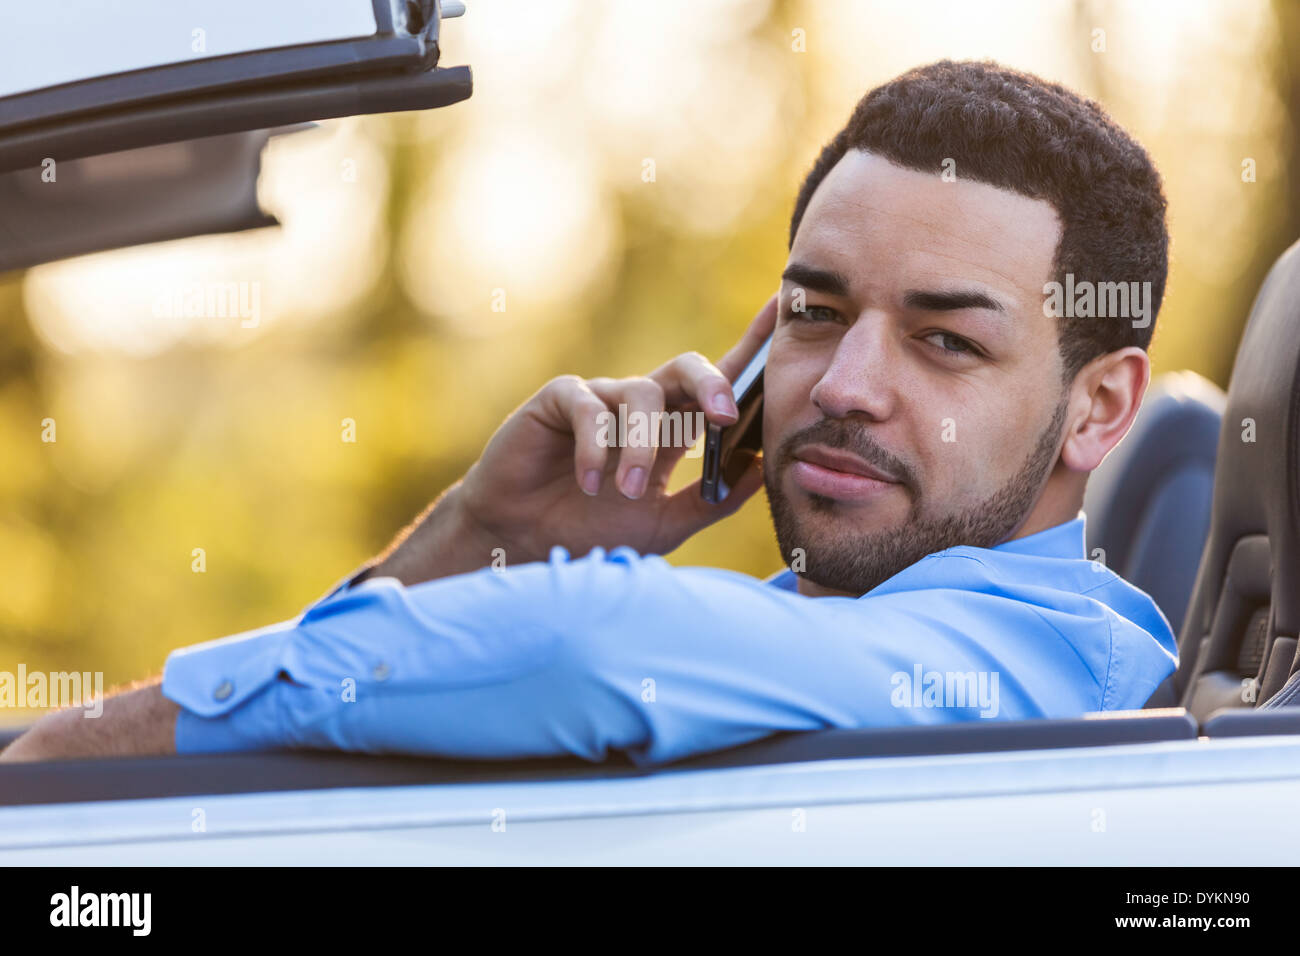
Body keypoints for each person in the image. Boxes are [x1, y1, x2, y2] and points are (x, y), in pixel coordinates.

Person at [1, 60, 1177, 765]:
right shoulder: (823, 635)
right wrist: (481, 543)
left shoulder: (1040, 663)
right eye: (815, 314)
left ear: (1097, 406)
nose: (844, 384)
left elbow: (586, 647)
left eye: (944, 340)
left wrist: (71, 749)